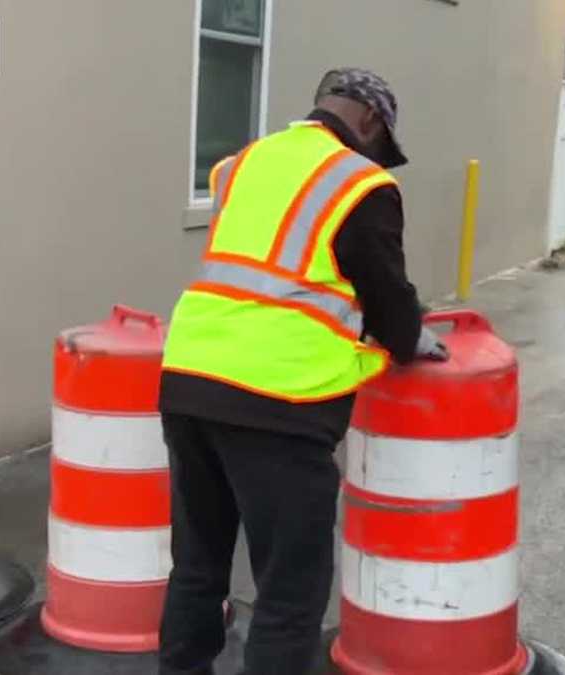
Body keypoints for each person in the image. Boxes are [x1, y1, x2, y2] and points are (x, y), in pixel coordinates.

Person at [157, 67, 447, 675]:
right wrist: (411, 336)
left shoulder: (242, 164)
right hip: (278, 398)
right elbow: (386, 295)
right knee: (291, 587)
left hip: (190, 376)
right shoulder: (359, 183)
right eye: (381, 145)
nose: (380, 158)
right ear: (369, 122)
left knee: (199, 562)